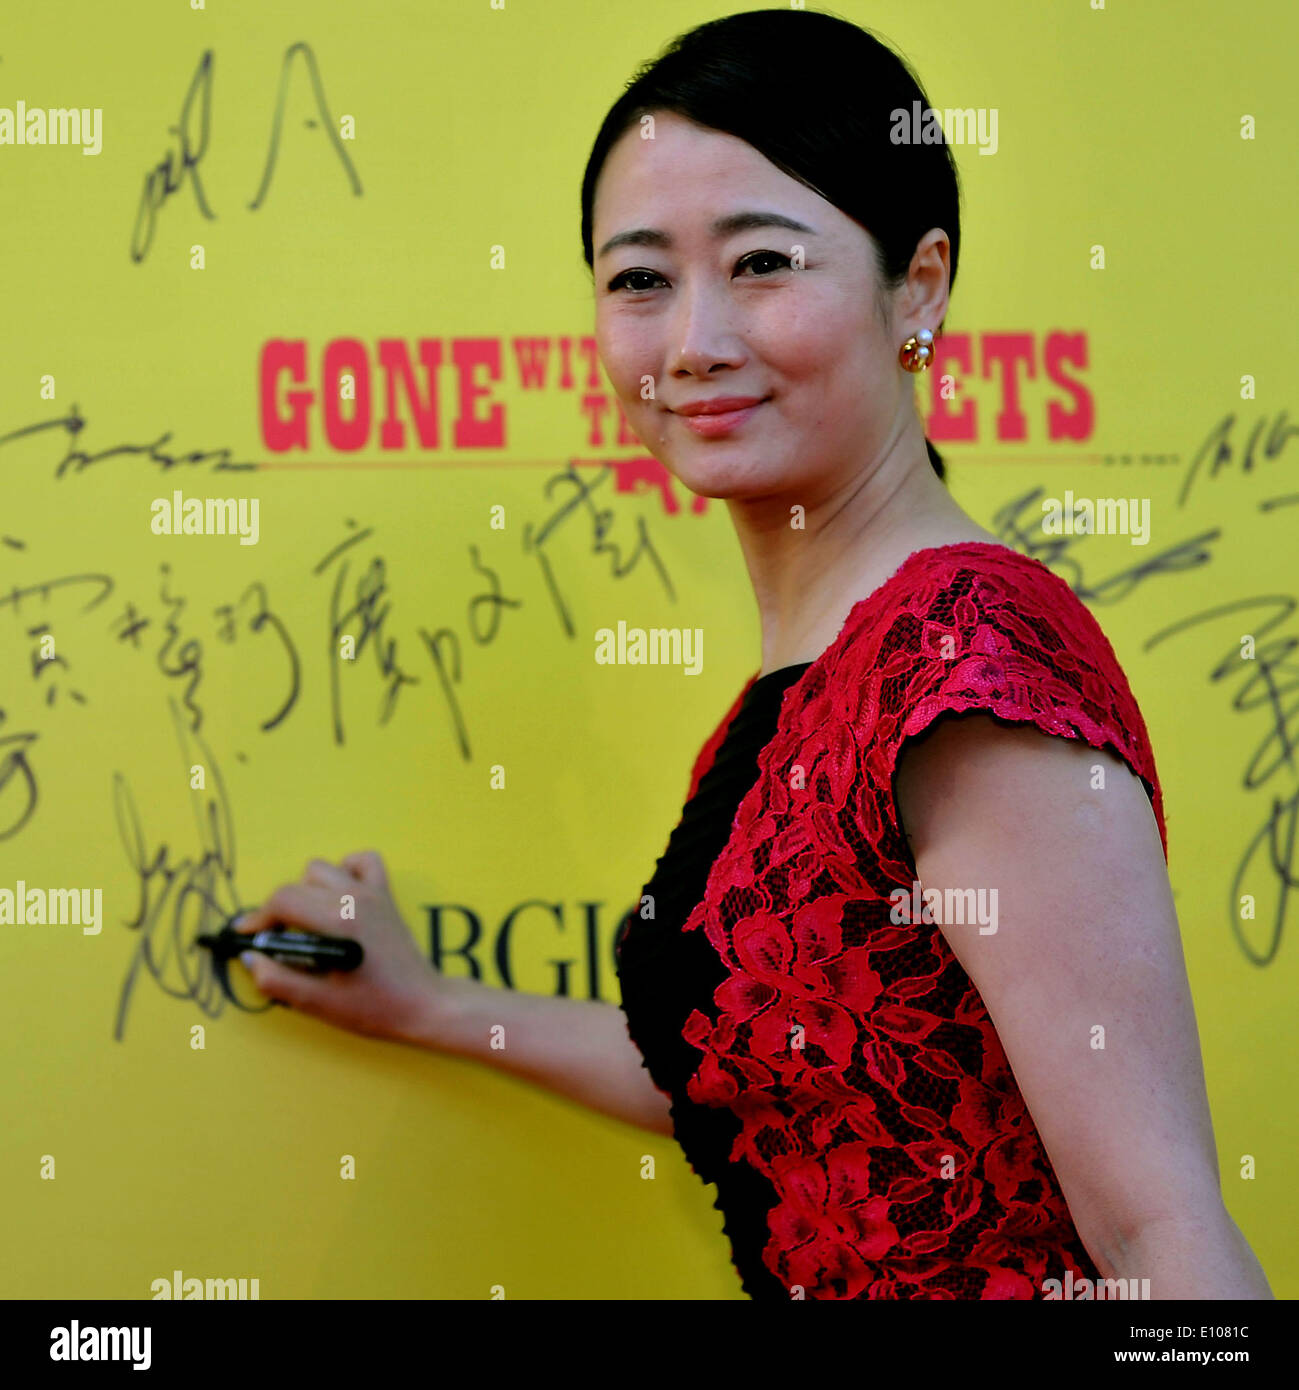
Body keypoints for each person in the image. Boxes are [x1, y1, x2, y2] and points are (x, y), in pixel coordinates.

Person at [236, 9, 1273, 1299]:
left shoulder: (963, 663)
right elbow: (770, 1087)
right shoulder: (803, 687)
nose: (693, 344)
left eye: (764, 262)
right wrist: (432, 1005)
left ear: (921, 287)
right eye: (639, 280)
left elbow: (1160, 1236)